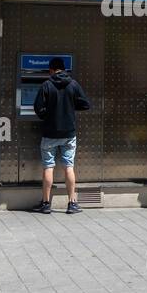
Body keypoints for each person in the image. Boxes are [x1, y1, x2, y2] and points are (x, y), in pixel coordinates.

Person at [31, 57, 91, 215]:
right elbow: (86, 104)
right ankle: (72, 203)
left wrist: (48, 116)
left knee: (48, 167)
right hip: (69, 134)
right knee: (68, 167)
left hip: (50, 133)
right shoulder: (73, 84)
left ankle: (45, 204)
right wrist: (71, 106)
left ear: (51, 69)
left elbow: (37, 107)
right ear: (64, 69)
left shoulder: (47, 85)